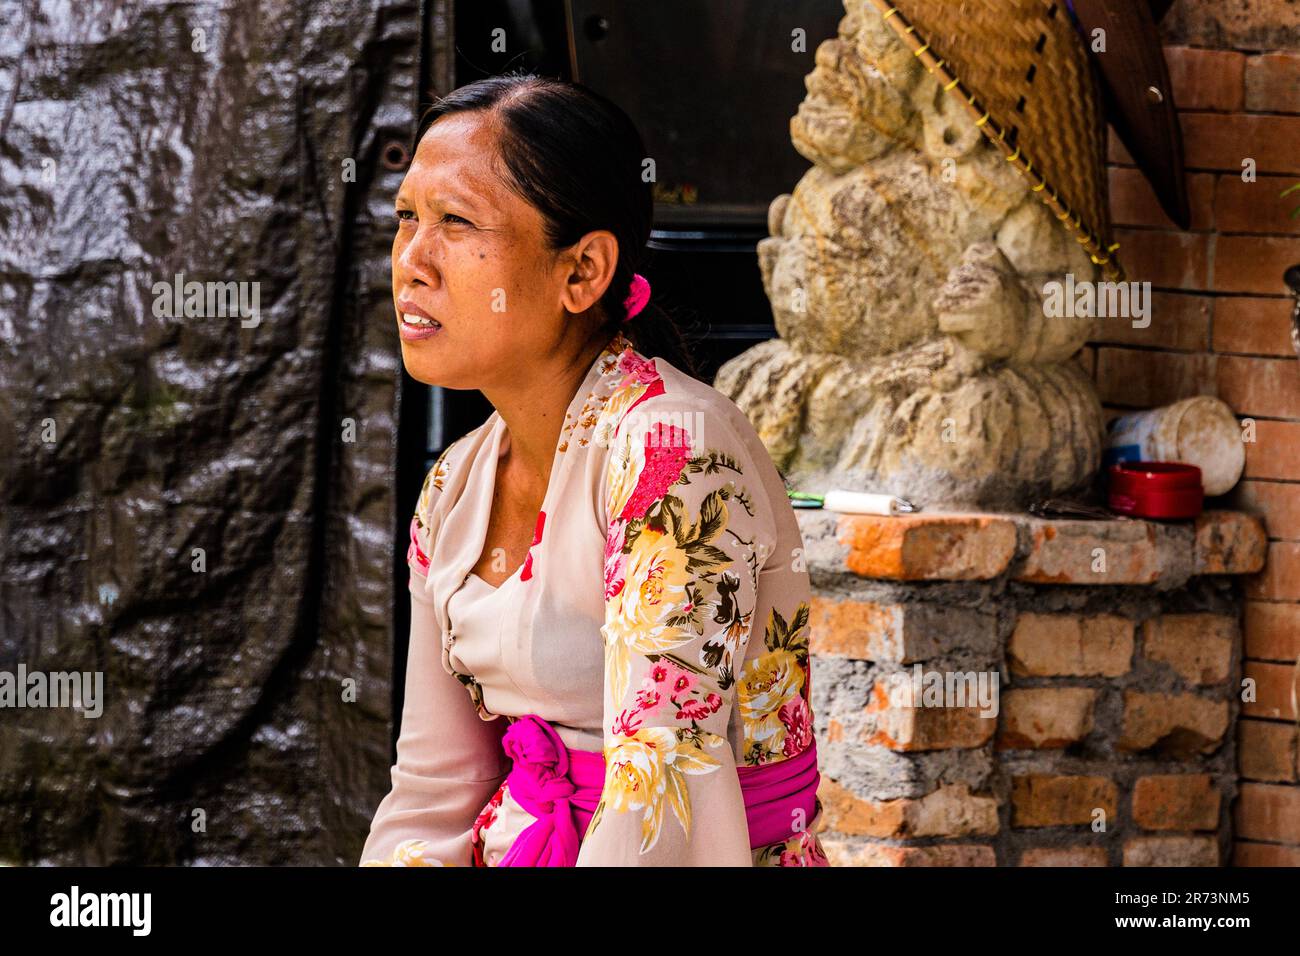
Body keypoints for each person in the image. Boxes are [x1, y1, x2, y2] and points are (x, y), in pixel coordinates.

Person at [360, 72, 828, 867]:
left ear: (582, 271)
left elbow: (663, 783)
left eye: (457, 221)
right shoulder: (454, 488)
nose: (412, 260)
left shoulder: (673, 454)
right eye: (407, 217)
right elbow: (435, 790)